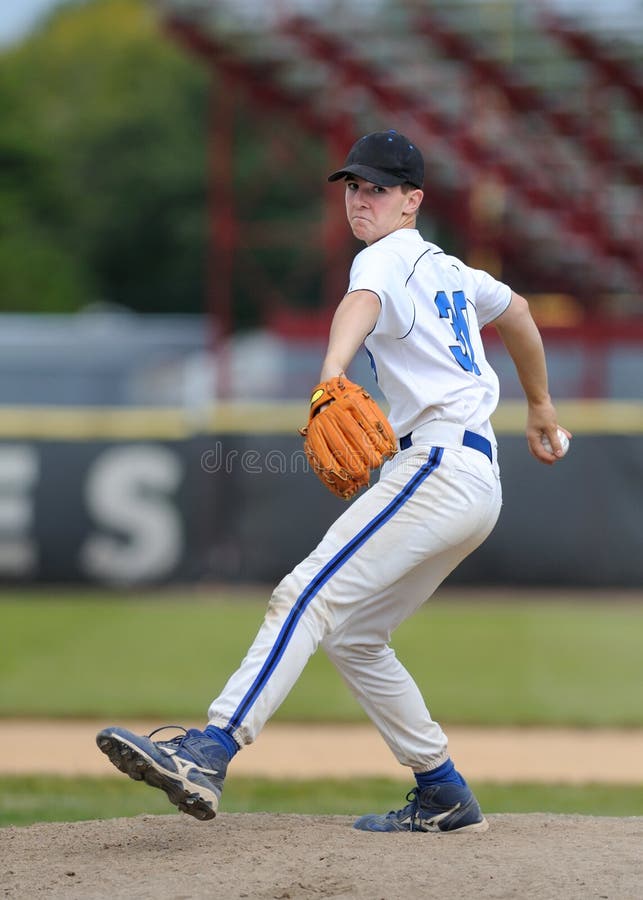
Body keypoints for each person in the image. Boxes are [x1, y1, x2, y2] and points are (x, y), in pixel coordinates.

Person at [97, 129, 569, 833]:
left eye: (377, 188)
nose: (360, 200)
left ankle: (209, 748)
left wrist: (330, 372)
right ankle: (441, 790)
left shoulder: (384, 259)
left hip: (436, 468)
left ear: (412, 200)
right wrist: (539, 404)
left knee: (305, 592)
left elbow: (360, 304)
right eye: (352, 186)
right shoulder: (452, 273)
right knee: (354, 636)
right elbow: (521, 314)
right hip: (472, 478)